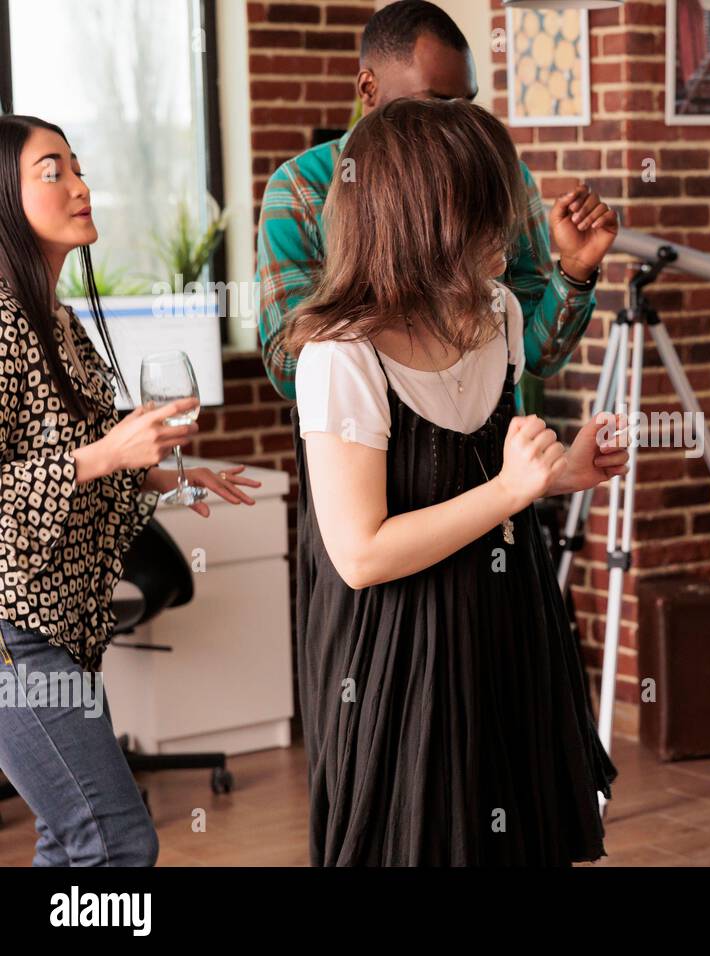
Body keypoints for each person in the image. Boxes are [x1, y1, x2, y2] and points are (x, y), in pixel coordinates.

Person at [287, 96, 627, 866]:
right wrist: (511, 490)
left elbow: (483, 480)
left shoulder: (498, 312)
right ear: (427, 221)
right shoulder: (341, 357)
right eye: (489, 207)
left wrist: (555, 476)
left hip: (508, 618)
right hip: (396, 654)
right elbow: (362, 555)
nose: (511, 226)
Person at [0, 114, 259, 866]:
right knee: (114, 843)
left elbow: (77, 447)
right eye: (53, 172)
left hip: (59, 625)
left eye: (78, 167)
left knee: (73, 839)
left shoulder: (60, 319)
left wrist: (168, 471)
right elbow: (84, 455)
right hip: (15, 635)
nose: (81, 186)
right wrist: (110, 449)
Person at [257, 0, 617, 409]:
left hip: (497, 455)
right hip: (366, 456)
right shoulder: (302, 189)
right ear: (368, 89)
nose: (459, 123)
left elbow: (537, 354)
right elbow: (289, 368)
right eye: (438, 103)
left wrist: (576, 269)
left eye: (467, 104)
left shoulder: (505, 175)